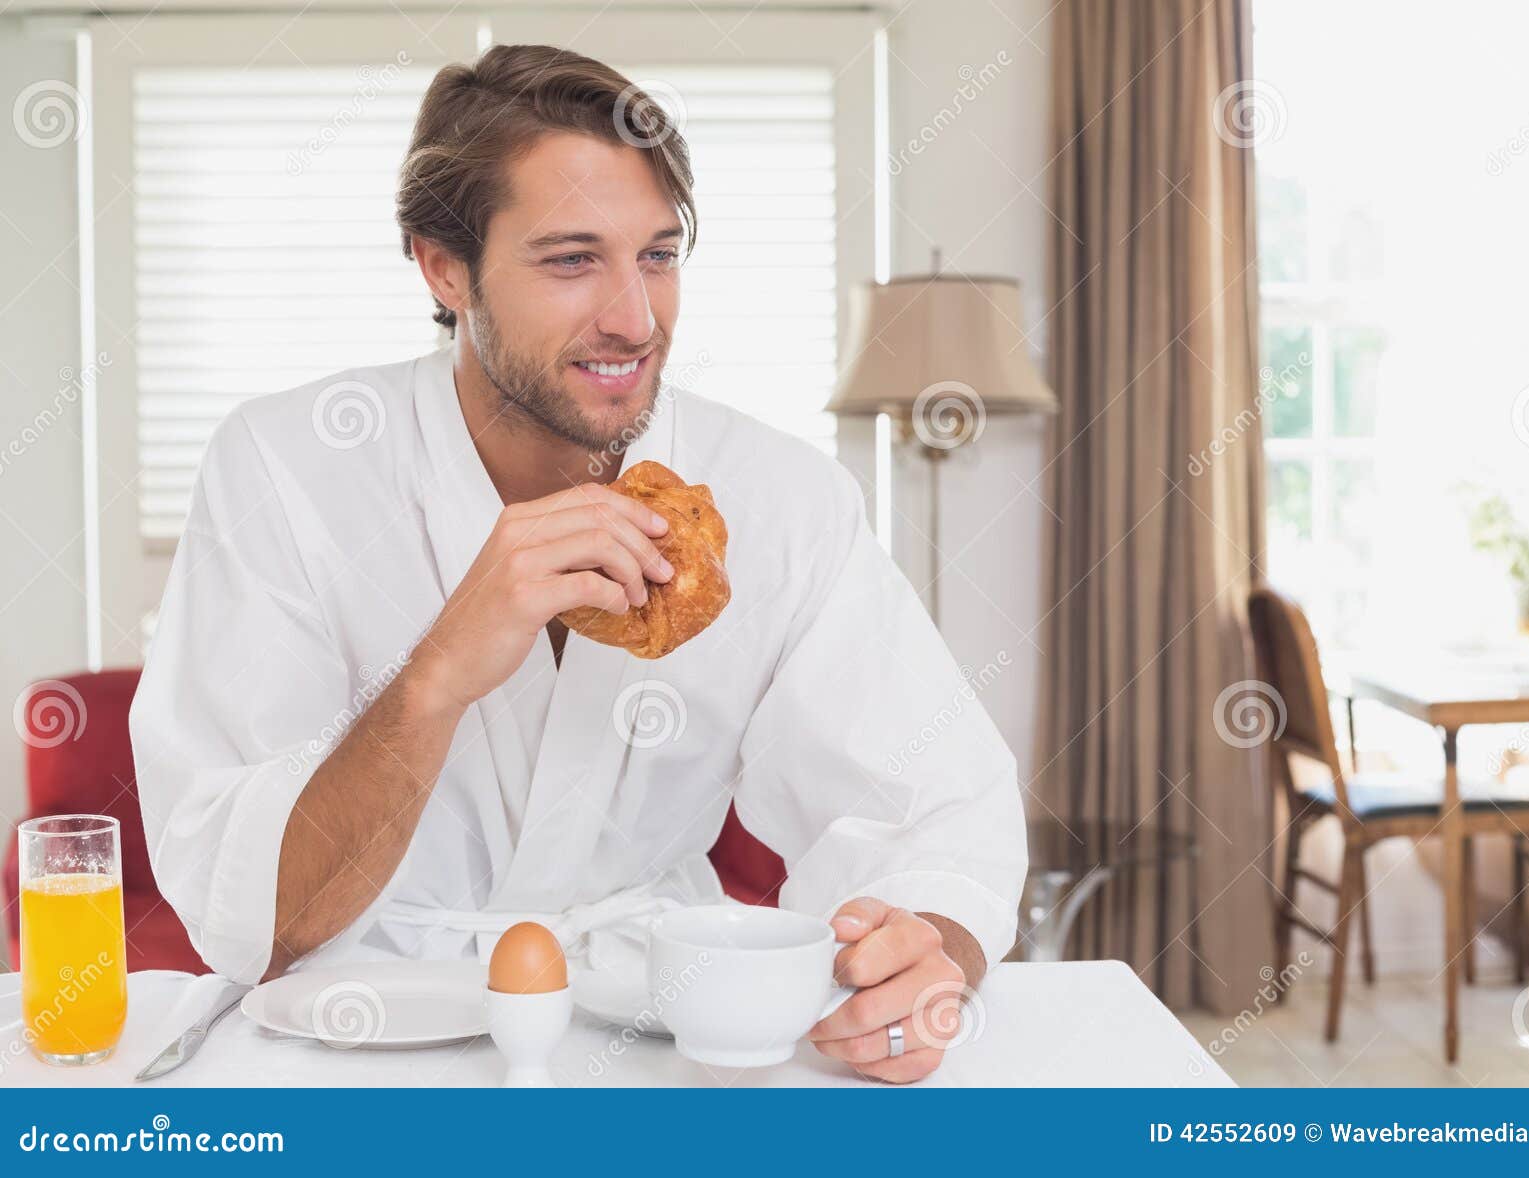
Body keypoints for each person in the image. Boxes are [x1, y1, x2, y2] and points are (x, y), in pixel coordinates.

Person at [130, 44, 1026, 1084]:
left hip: (661, 1037)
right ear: (442, 266)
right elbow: (258, 923)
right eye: (570, 259)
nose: (634, 319)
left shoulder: (780, 496)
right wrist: (438, 674)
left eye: (656, 254)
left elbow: (936, 805)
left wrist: (927, 952)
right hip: (354, 1043)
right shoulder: (285, 467)